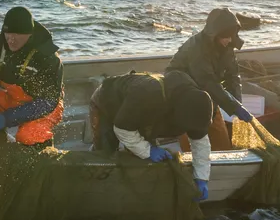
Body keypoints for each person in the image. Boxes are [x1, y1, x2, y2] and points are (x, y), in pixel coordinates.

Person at [89, 70, 215, 201]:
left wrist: (201, 177)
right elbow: (122, 128)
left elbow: (200, 142)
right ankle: (96, 192)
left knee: (146, 161)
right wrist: (147, 150)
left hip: (141, 114)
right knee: (105, 156)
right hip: (107, 102)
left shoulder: (196, 106)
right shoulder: (147, 95)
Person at [0, 7, 64, 148]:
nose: (11, 40)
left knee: (28, 135)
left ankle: (40, 163)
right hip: (14, 98)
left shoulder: (48, 57)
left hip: (44, 106)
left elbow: (48, 102)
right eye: (8, 33)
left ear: (30, 34)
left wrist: (7, 118)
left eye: (18, 34)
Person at [166, 8, 254, 149]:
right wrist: (233, 105)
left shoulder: (227, 46)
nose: (230, 40)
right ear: (216, 34)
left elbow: (233, 76)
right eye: (226, 36)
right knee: (193, 147)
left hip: (210, 99)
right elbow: (207, 81)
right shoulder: (197, 48)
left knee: (223, 145)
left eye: (232, 35)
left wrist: (238, 104)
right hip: (185, 98)